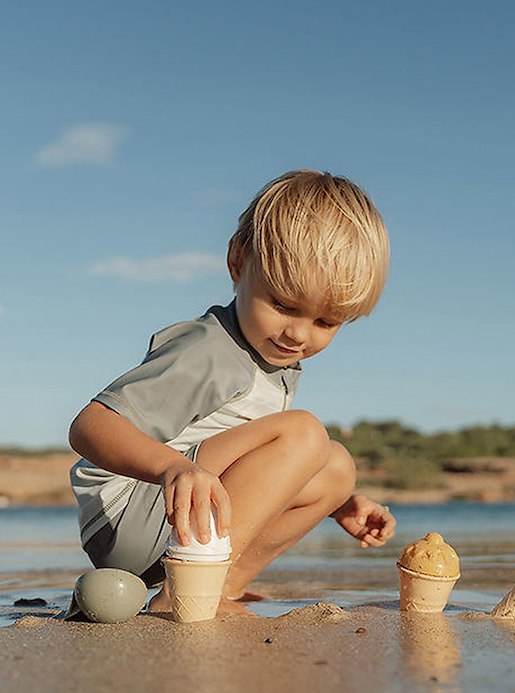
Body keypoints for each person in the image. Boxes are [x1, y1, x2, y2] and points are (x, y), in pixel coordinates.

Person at [68, 169, 397, 615]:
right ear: (237, 263)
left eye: (325, 322)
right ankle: (184, 595)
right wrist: (172, 468)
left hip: (175, 520)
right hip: (130, 516)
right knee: (303, 431)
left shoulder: (274, 359)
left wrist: (335, 505)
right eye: (283, 305)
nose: (298, 334)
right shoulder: (209, 352)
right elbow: (90, 425)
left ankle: (220, 587)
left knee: (335, 466)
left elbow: (257, 468)